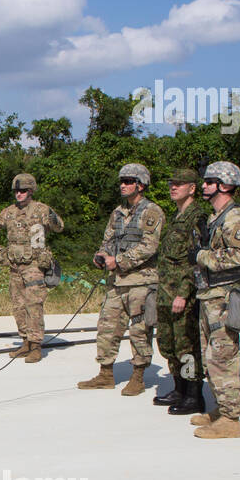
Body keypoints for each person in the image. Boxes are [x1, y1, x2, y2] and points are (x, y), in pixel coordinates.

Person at [78, 163, 164, 394]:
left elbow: (149, 247)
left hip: (140, 282)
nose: (123, 185)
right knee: (107, 326)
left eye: (128, 181)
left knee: (139, 330)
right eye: (121, 181)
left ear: (141, 185)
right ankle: (105, 374)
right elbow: (107, 240)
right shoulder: (117, 212)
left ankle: (138, 377)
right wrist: (102, 255)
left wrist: (121, 261)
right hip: (116, 282)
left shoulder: (151, 212)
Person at [0, 173, 63, 363]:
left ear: (31, 191)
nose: (19, 194)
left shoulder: (41, 210)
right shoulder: (9, 211)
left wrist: (54, 219)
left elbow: (58, 227)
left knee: (34, 306)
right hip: (15, 267)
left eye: (23, 190)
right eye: (16, 191)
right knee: (18, 307)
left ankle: (36, 346)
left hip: (34, 266)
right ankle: (25, 342)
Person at [188, 161, 240, 439]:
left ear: (225, 185)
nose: (204, 185)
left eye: (209, 181)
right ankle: (221, 407)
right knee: (210, 356)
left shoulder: (235, 218)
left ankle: (231, 418)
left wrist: (201, 256)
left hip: (225, 296)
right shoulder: (216, 217)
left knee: (223, 356)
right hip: (210, 294)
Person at [153, 169, 210, 414]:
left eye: (179, 184)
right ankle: (178, 387)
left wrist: (184, 293)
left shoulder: (197, 218)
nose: (173, 187)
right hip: (166, 293)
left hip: (181, 296)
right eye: (171, 183)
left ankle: (193, 394)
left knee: (186, 347)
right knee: (167, 343)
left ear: (192, 188)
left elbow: (195, 261)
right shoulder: (177, 217)